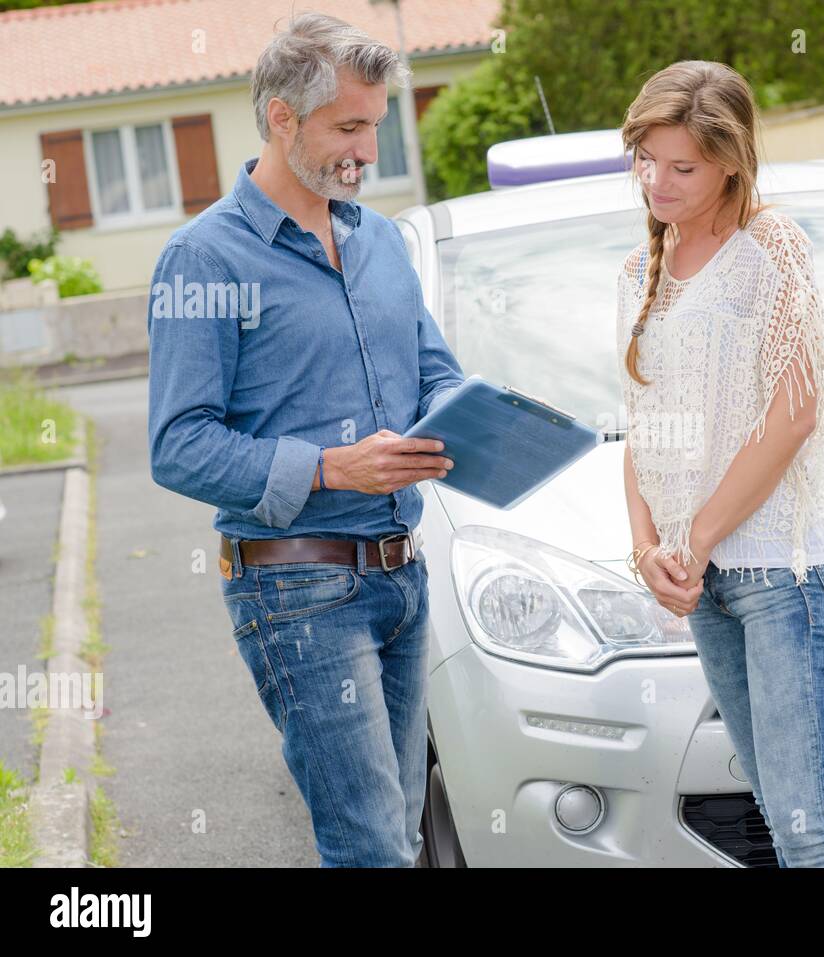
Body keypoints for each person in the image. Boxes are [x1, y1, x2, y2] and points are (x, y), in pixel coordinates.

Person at [146, 13, 464, 867]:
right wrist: (329, 466)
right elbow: (178, 445)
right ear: (282, 118)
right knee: (370, 849)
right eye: (348, 127)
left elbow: (435, 374)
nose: (367, 149)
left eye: (374, 125)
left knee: (398, 839)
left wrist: (479, 418)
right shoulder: (203, 259)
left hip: (404, 576)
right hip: (297, 593)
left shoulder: (381, 242)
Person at [617, 61, 824, 868]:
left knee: (804, 821)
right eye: (647, 160)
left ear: (731, 160)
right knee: (776, 806)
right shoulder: (634, 275)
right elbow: (639, 431)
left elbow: (794, 413)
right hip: (705, 579)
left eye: (681, 166)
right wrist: (649, 550)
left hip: (783, 575)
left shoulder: (770, 248)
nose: (658, 181)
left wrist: (700, 536)